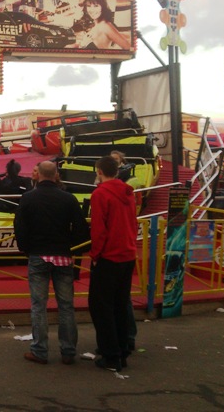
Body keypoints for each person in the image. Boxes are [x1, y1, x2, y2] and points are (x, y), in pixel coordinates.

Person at [14, 161, 88, 365]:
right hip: (63, 256)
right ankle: (68, 351)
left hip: (38, 254)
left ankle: (40, 350)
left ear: (38, 175)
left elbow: (20, 226)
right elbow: (81, 229)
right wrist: (69, 244)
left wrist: (26, 249)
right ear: (56, 175)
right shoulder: (68, 198)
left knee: (39, 305)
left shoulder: (28, 198)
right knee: (66, 306)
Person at [88, 155, 138, 372]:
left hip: (109, 255)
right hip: (128, 253)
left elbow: (99, 229)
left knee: (101, 306)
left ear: (99, 171)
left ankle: (110, 353)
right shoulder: (128, 192)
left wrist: (95, 255)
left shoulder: (100, 194)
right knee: (120, 304)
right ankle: (122, 349)